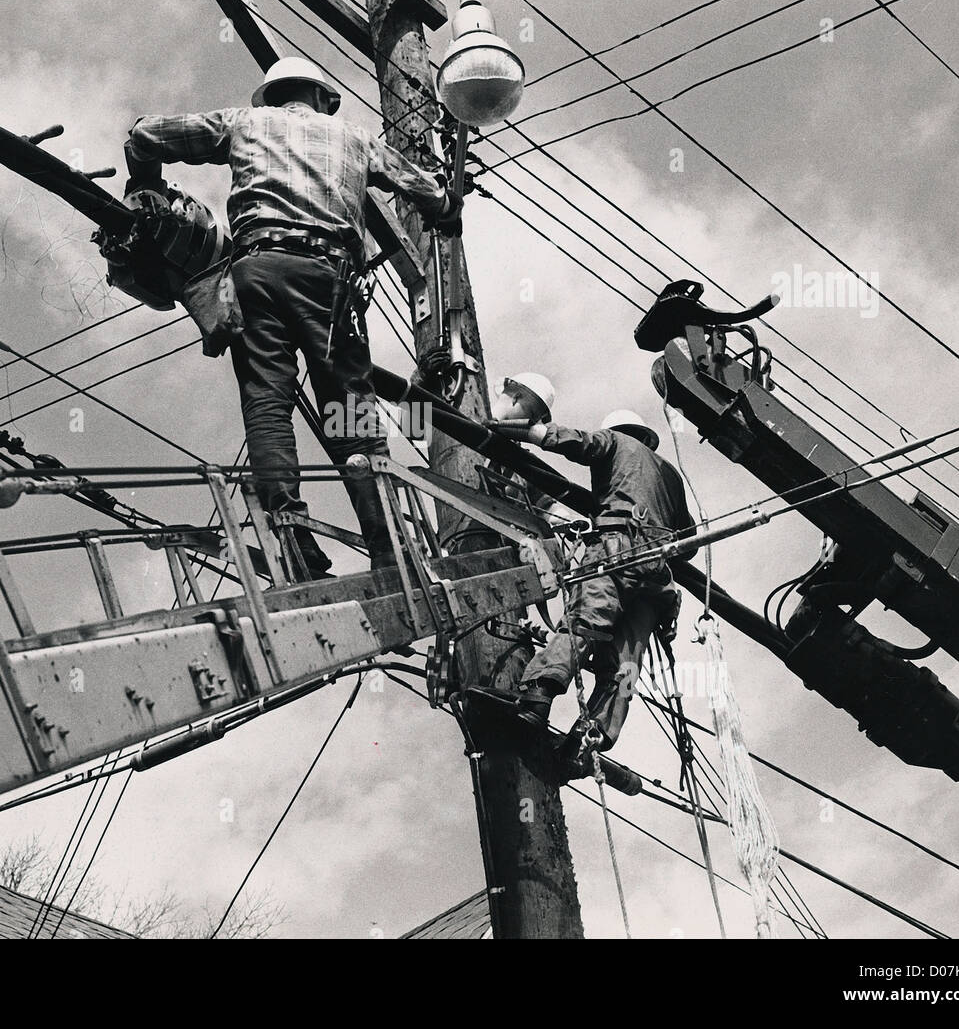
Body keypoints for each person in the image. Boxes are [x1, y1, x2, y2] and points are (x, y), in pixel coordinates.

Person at [124, 58, 463, 574]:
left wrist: (143, 190)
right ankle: (387, 545)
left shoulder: (245, 122)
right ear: (324, 98)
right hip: (327, 280)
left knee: (266, 402)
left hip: (255, 271)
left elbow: (145, 135)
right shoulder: (354, 137)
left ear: (273, 95)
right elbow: (428, 193)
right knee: (352, 418)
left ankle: (289, 529)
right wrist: (446, 205)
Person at [489, 409, 695, 749]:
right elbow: (687, 543)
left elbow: (576, 442)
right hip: (656, 581)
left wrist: (513, 431)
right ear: (649, 438)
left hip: (615, 552)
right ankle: (588, 743)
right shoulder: (671, 476)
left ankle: (537, 699)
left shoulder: (616, 441)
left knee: (584, 624)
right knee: (625, 666)